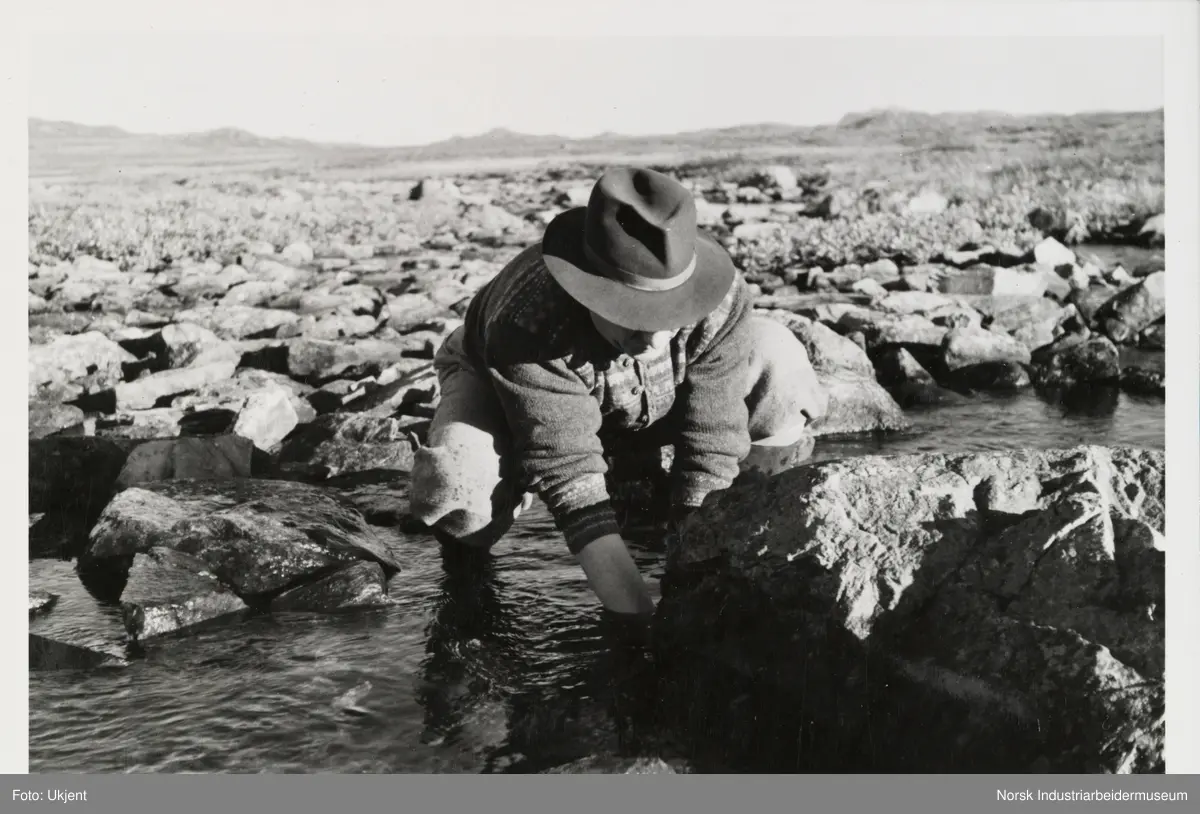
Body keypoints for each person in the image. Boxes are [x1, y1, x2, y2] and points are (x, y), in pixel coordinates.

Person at [409, 166, 828, 627]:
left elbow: (713, 442)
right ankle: (469, 582)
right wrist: (640, 628)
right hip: (505, 388)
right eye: (631, 317)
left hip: (652, 397)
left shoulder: (722, 301)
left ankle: (732, 531)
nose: (652, 341)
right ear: (586, 289)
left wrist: (690, 573)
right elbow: (568, 472)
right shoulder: (526, 319)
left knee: (780, 361)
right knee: (459, 482)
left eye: (670, 317)